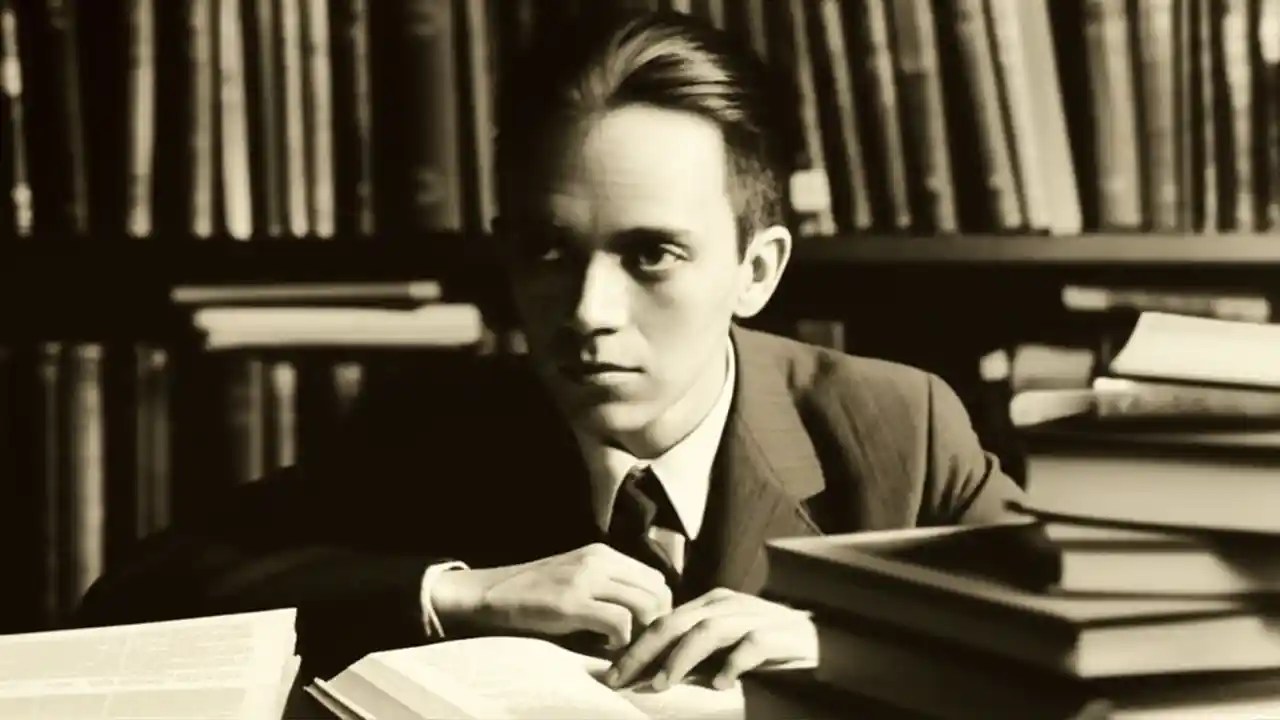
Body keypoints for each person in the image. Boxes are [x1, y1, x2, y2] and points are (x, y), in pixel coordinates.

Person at [76, 8, 1024, 688]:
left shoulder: (900, 421)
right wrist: (462, 596)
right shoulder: (432, 425)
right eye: (547, 253)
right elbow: (133, 603)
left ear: (757, 270)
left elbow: (1100, 642)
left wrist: (834, 641)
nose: (585, 310)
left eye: (649, 254)